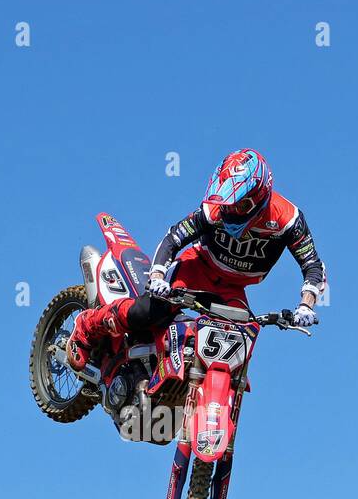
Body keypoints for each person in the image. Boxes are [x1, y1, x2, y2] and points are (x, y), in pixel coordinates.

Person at [66, 148, 326, 369]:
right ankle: (87, 326)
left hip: (232, 290)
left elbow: (312, 265)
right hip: (196, 269)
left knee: (238, 351)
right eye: (228, 203)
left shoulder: (287, 218)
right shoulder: (214, 211)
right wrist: (157, 276)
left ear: (259, 197)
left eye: (239, 205)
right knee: (147, 312)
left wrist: (306, 305)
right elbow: (173, 238)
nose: (231, 211)